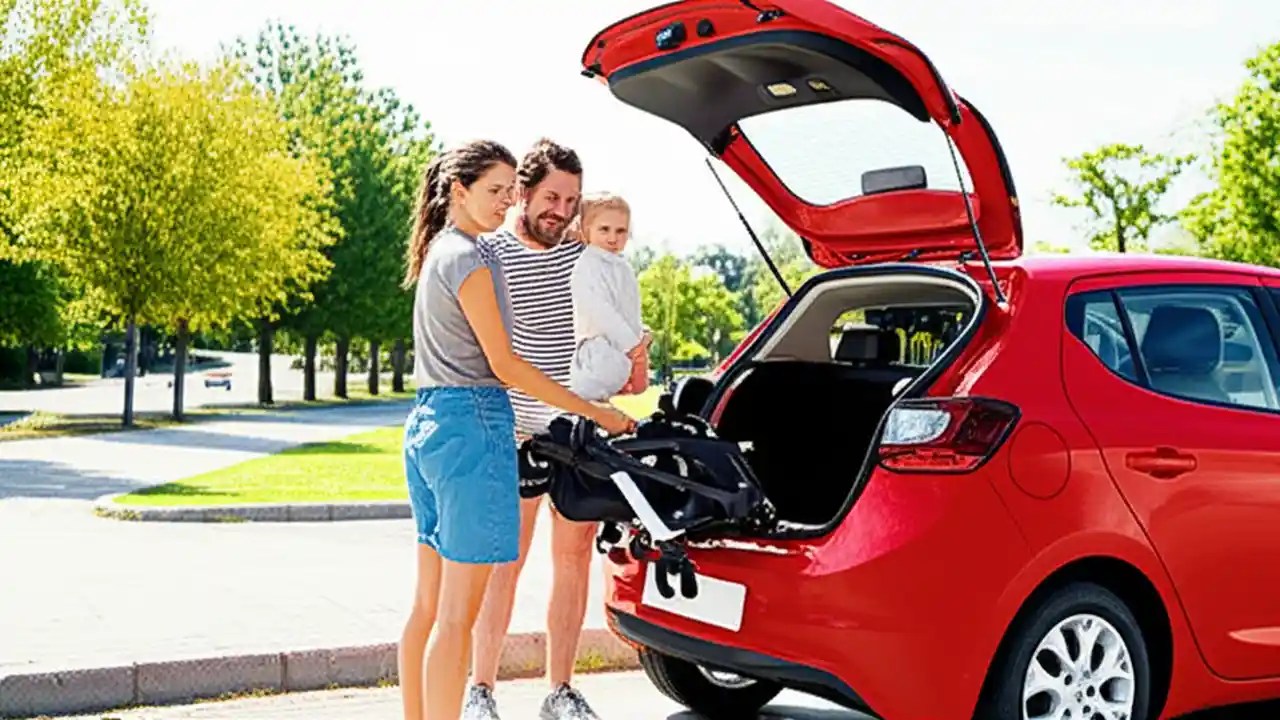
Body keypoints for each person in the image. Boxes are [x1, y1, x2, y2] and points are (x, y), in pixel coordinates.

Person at [397, 138, 634, 720]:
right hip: (483, 428)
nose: (506, 202)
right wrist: (598, 411)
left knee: (429, 607)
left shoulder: (442, 250)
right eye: (499, 191)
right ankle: (478, 692)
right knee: (459, 609)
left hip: (437, 423)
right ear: (462, 189)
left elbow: (610, 291)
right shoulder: (475, 256)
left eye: (572, 201)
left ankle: (551, 691)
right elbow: (504, 365)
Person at [568, 192, 650, 402]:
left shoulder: (623, 267)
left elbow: (630, 309)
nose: (613, 238)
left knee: (604, 407)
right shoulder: (587, 266)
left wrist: (639, 339)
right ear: (587, 230)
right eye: (604, 229)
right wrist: (633, 345)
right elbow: (600, 311)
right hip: (597, 350)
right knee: (588, 403)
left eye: (620, 231)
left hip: (623, 352)